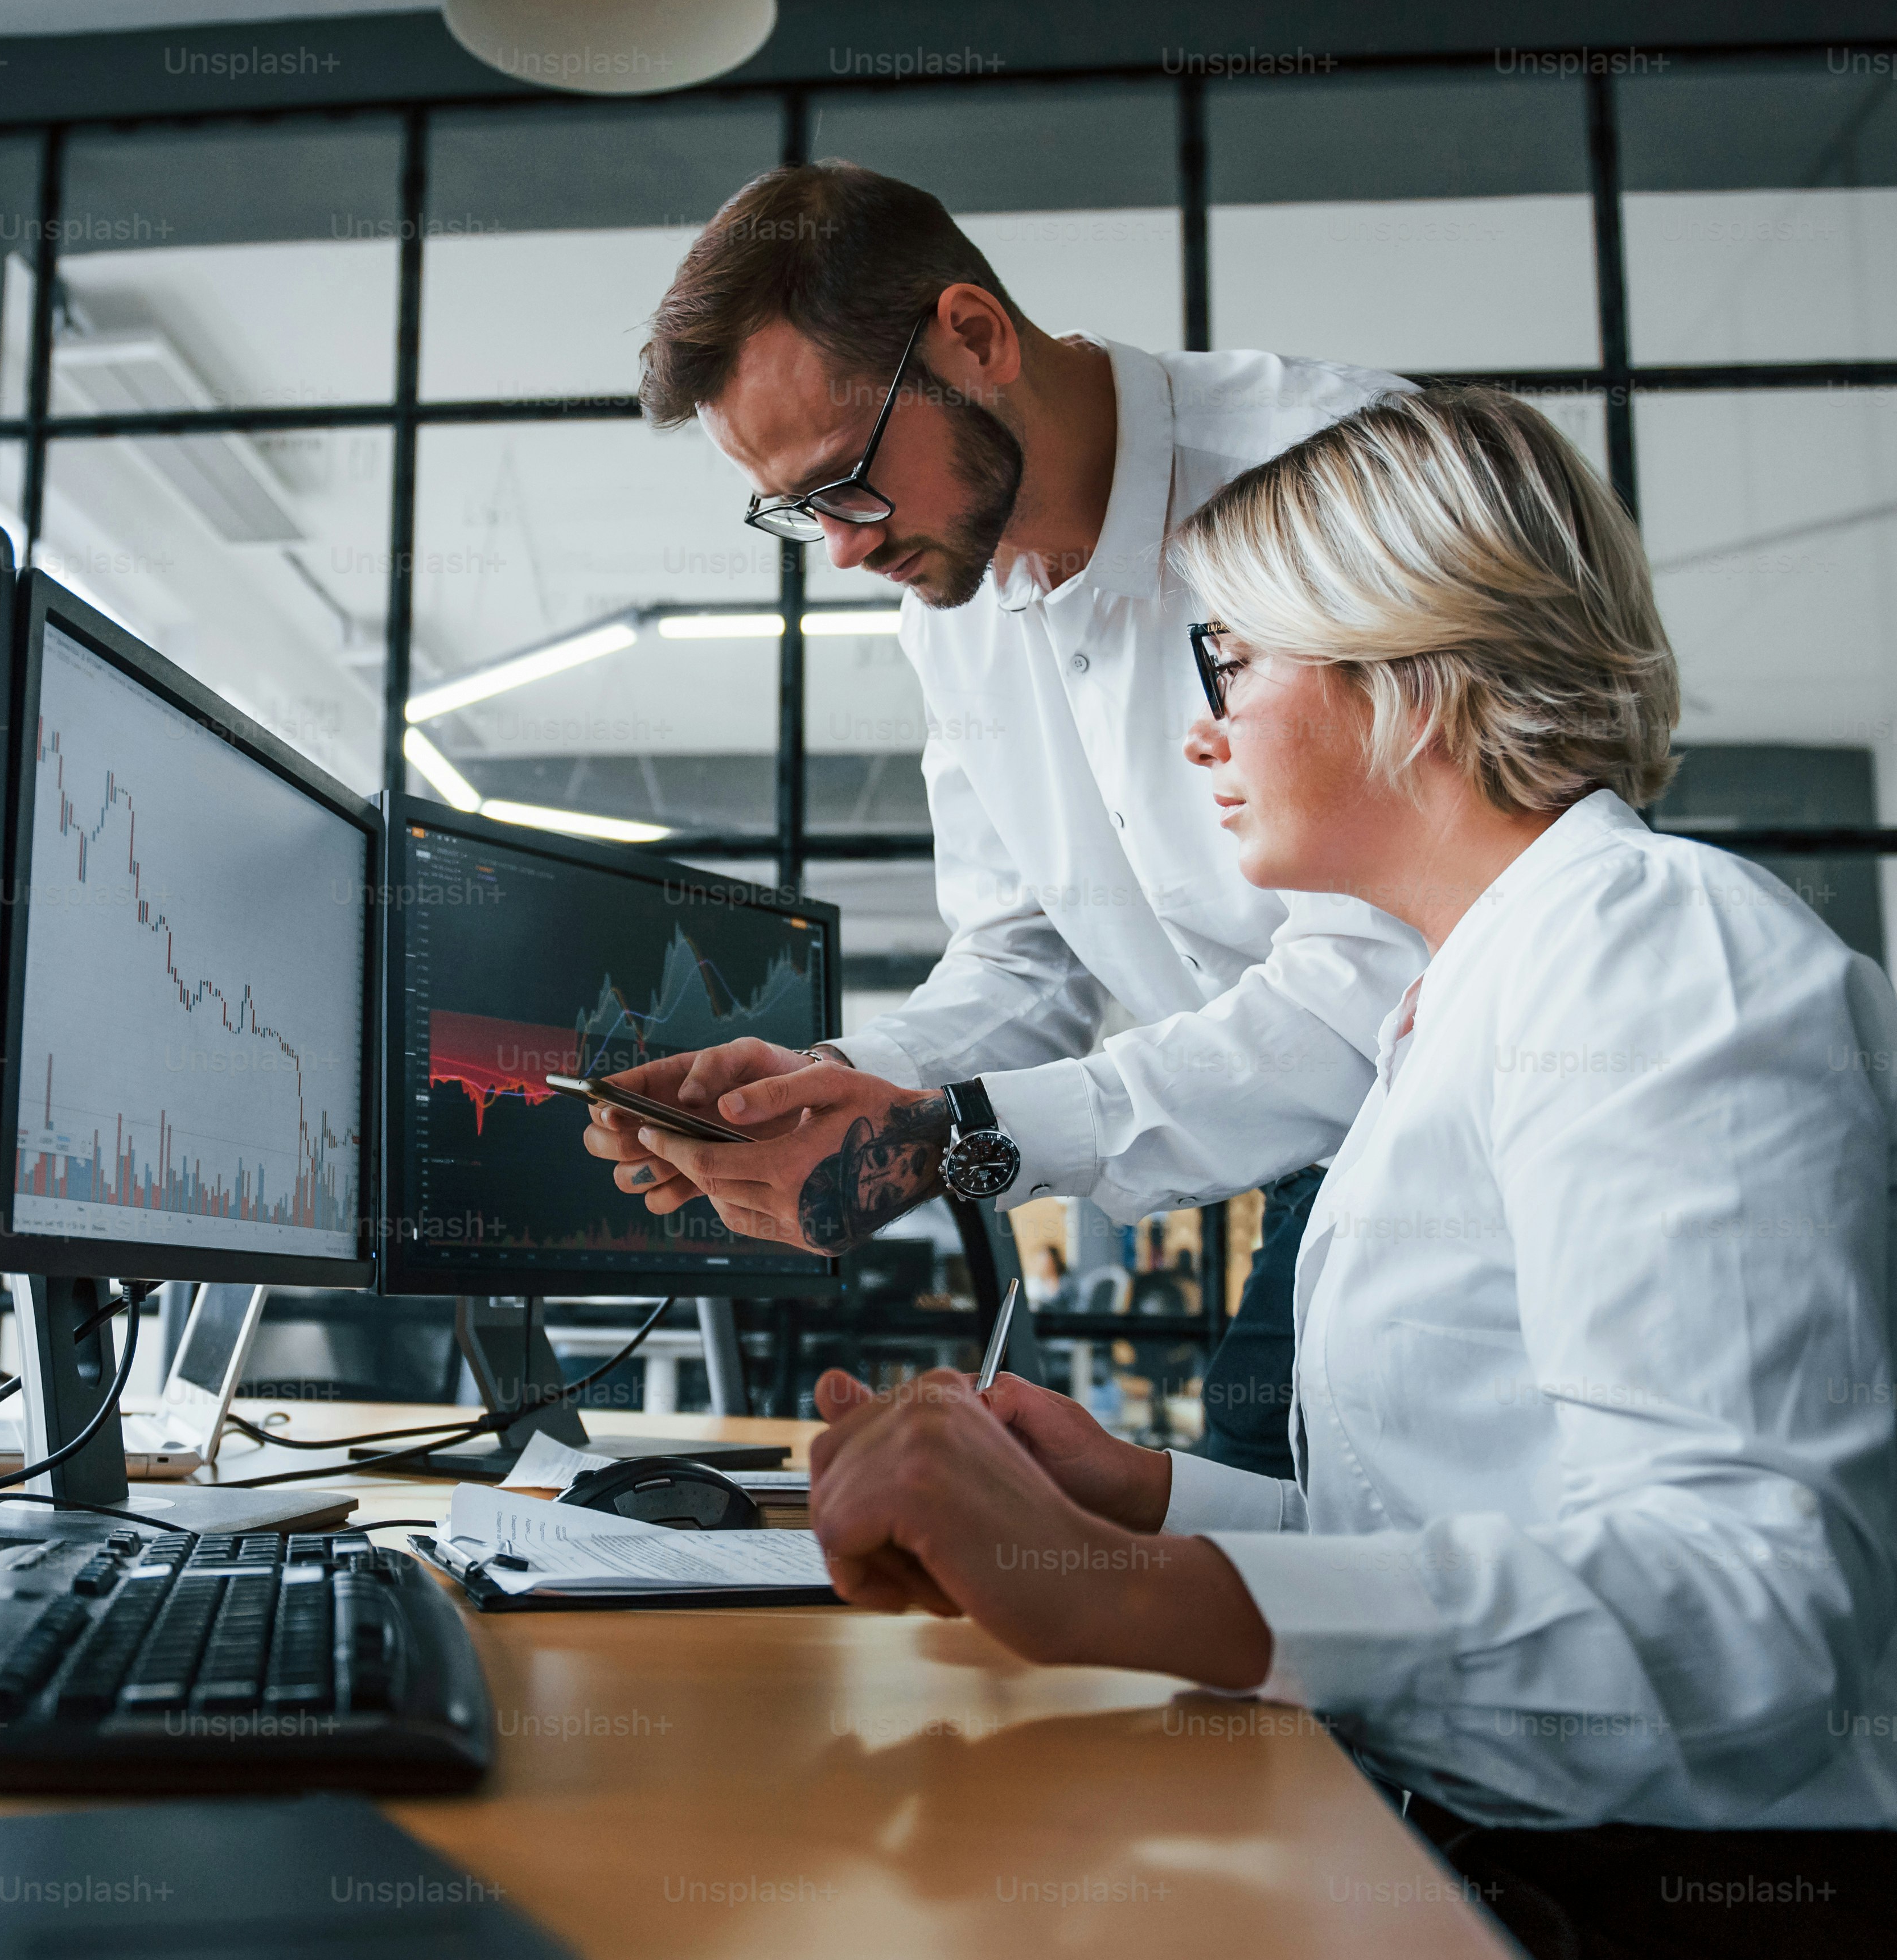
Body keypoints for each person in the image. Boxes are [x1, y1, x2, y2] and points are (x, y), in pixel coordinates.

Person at [740, 387, 1897, 1960]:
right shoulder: (1462, 1000)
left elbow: (1741, 1613)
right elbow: (1471, 1519)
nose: (1200, 732)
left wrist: (1124, 1591)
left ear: (1411, 673)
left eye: (1230, 664)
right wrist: (1154, 1494)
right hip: (1581, 1850)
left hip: (1797, 1938)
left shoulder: (1656, 957)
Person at [583, 160, 1423, 1478]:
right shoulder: (953, 612)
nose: (846, 548)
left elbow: (1379, 979)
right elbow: (1021, 962)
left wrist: (948, 1139)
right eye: (799, 513)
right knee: (1268, 1581)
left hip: (1466, 1150)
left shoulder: (1331, 475)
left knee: (1361, 1604)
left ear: (973, 337)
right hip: (1293, 1167)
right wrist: (832, 1081)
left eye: (847, 479)